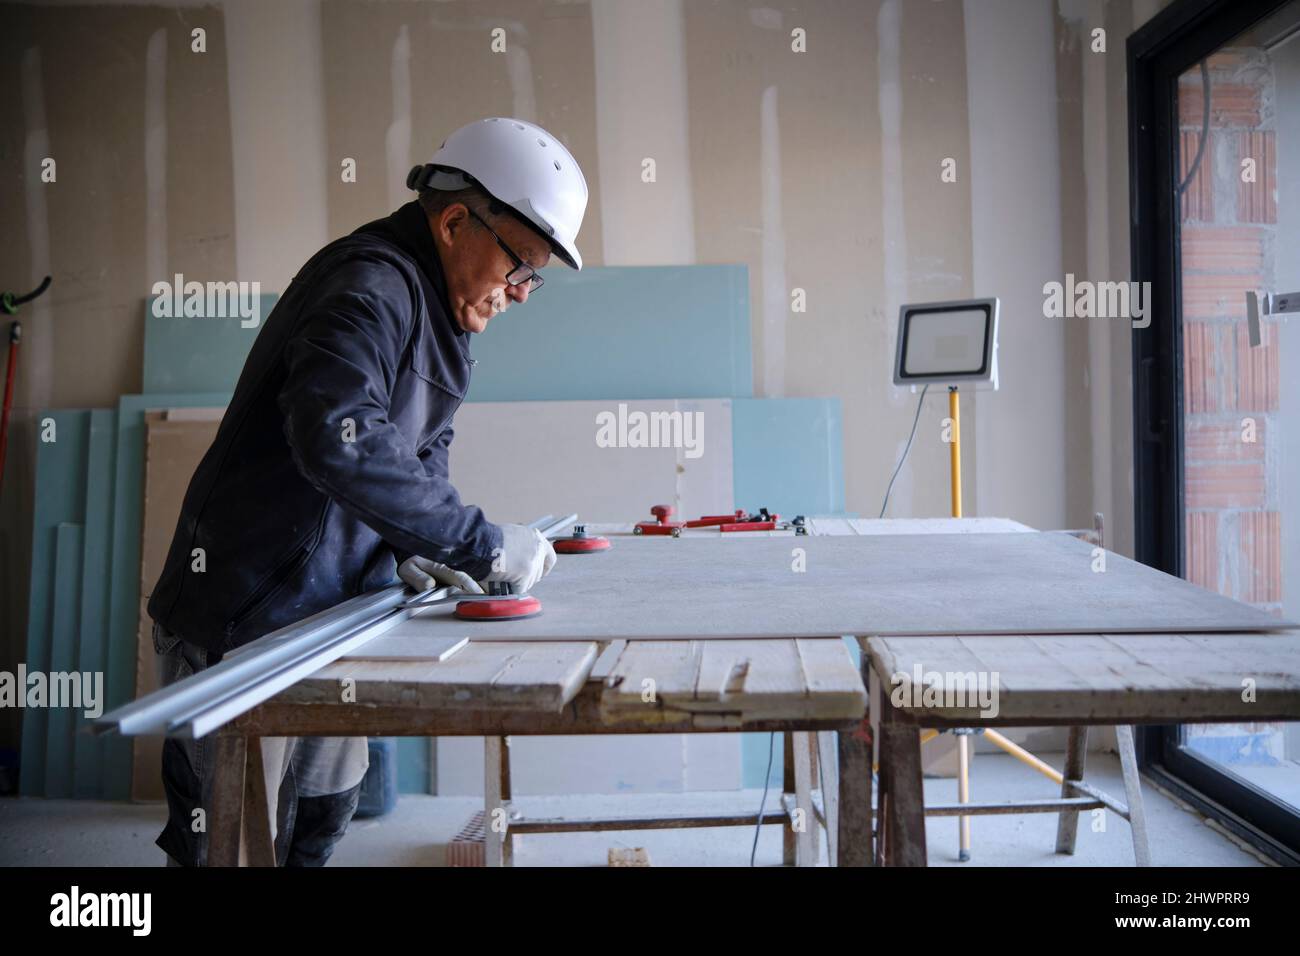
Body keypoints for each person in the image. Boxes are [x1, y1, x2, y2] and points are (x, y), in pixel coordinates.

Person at [147, 117, 588, 865]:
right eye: (520, 266)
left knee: (319, 820)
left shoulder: (448, 325)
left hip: (332, 617)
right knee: (229, 840)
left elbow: (422, 457)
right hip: (248, 619)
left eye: (533, 277)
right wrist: (477, 543)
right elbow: (338, 434)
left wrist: (415, 548)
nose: (521, 293)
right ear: (455, 221)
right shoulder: (369, 287)